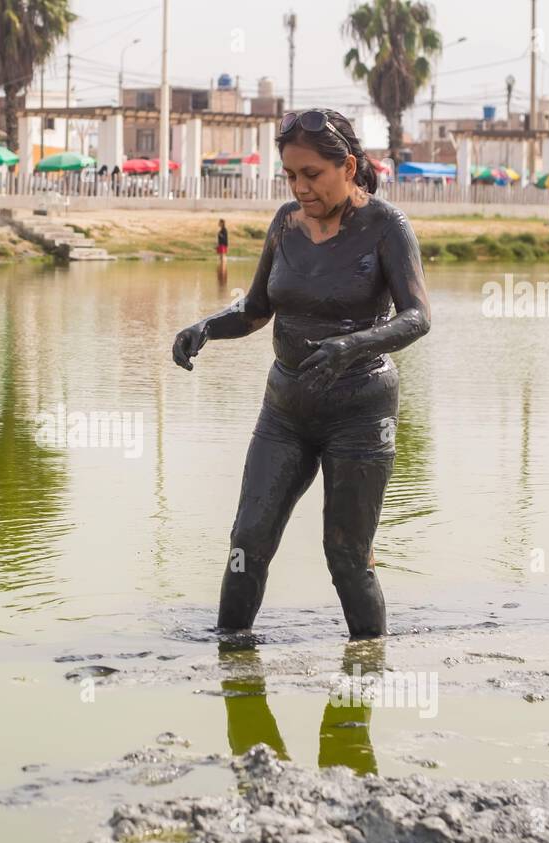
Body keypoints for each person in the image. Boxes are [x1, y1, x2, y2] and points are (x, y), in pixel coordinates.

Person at [171, 108, 431, 639]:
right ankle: (231, 657)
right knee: (248, 540)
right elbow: (256, 308)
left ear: (348, 167)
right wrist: (207, 327)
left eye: (311, 174)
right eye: (290, 175)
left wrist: (351, 346)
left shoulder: (387, 228)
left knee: (346, 554)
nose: (299, 187)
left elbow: (417, 317)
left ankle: (366, 667)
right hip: (286, 410)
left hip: (360, 413)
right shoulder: (286, 223)